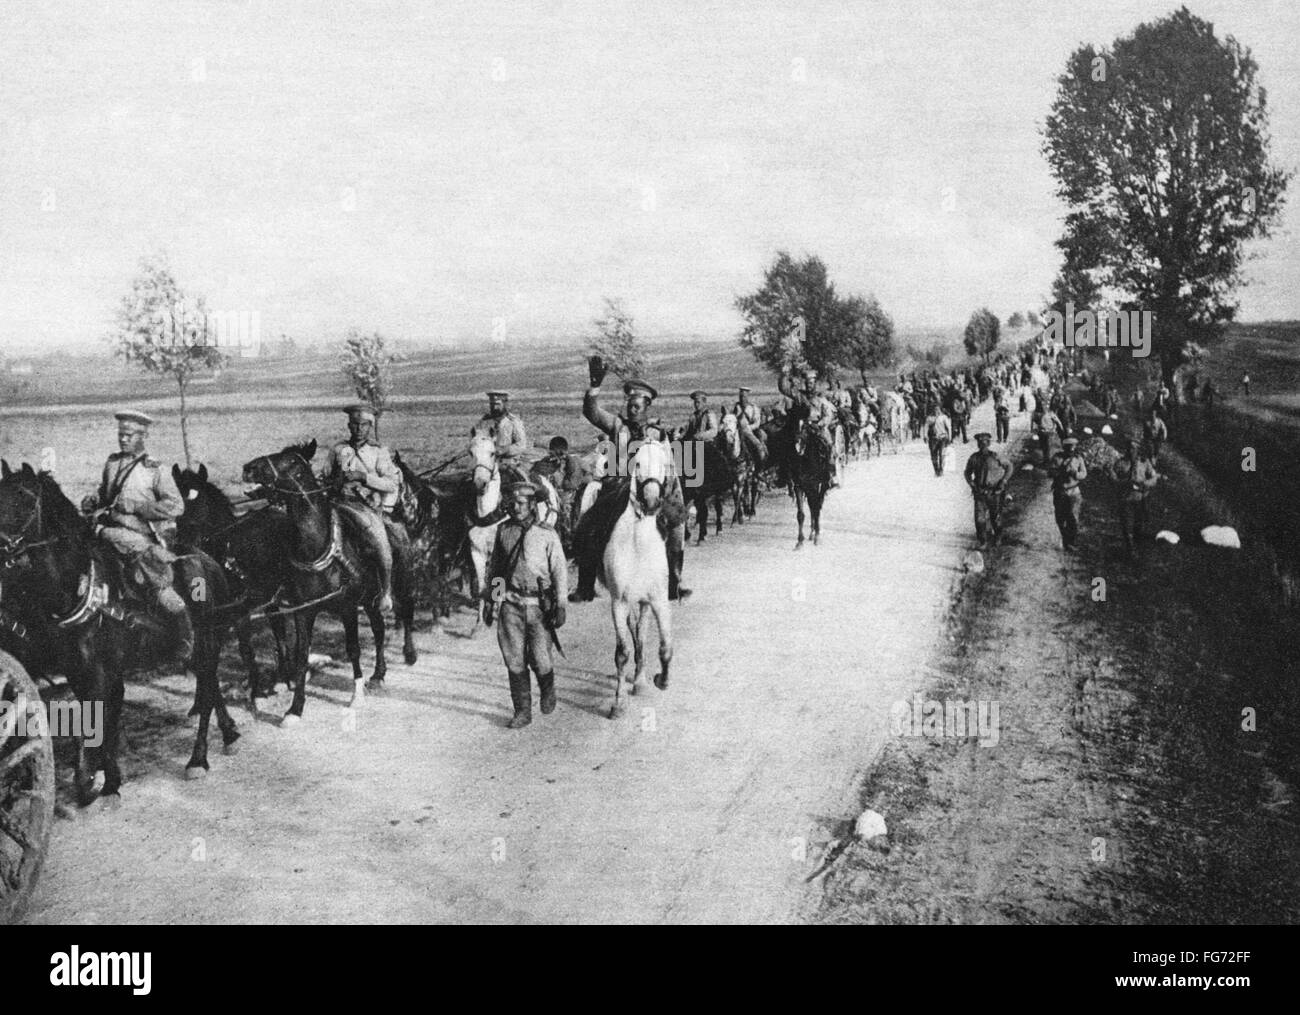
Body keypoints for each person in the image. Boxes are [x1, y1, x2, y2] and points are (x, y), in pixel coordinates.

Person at [572, 357, 690, 602]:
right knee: (589, 524)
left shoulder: (658, 434)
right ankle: (585, 585)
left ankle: (673, 584)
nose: (632, 409)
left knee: (677, 526)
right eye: (630, 405)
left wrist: (670, 493)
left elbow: (668, 465)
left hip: (652, 488)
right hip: (619, 486)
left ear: (647, 406)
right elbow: (591, 412)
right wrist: (595, 385)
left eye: (637, 406)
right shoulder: (616, 425)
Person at [79, 410, 191, 662]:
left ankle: (183, 628)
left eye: (129, 435)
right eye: (121, 435)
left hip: (145, 535)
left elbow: (177, 506)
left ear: (143, 436)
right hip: (113, 530)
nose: (123, 440)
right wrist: (93, 501)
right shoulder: (112, 463)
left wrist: (139, 507)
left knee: (148, 568)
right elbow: (106, 495)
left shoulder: (155, 469)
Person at [483, 481, 567, 729]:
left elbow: (560, 571)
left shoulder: (546, 534)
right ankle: (522, 710)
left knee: (541, 659)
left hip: (539, 606)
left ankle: (548, 688)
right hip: (511, 604)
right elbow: (497, 569)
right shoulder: (504, 532)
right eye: (513, 503)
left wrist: (561, 604)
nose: (516, 507)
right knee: (514, 660)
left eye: (521, 503)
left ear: (532, 505)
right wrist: (493, 600)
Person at [320, 404, 404, 612]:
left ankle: (385, 592)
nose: (358, 429)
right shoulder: (339, 450)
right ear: (349, 425)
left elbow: (391, 484)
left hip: (365, 506)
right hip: (338, 503)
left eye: (364, 425)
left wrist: (364, 477)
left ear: (370, 427)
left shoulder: (378, 452)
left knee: (380, 542)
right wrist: (334, 482)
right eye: (355, 424)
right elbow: (324, 476)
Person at [777, 365, 842, 488]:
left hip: (819, 427)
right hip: (803, 428)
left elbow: (827, 415)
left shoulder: (821, 398)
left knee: (828, 445)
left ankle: (832, 475)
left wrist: (820, 423)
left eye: (811, 383)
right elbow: (784, 389)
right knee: (788, 445)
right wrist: (783, 375)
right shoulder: (800, 396)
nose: (809, 385)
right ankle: (786, 475)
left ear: (815, 384)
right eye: (807, 383)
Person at [1110, 439, 1158, 555]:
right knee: (1126, 525)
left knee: (1139, 524)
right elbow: (1113, 479)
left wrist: (1145, 483)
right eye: (1130, 449)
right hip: (1125, 498)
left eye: (1134, 449)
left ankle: (1137, 547)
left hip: (1140, 498)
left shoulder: (1144, 463)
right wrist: (1124, 482)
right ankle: (1130, 549)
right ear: (1126, 450)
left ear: (1138, 450)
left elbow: (1154, 478)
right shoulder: (1120, 463)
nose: (1132, 451)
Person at [964, 433, 1012, 547]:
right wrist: (972, 485)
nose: (983, 446)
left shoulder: (996, 456)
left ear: (989, 444)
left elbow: (1009, 467)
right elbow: (967, 472)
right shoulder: (974, 458)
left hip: (995, 492)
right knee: (979, 519)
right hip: (980, 493)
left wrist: (1004, 481)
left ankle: (998, 537)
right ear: (978, 445)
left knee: (996, 518)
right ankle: (983, 541)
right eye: (980, 444)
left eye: (985, 444)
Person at [1048, 435, 1088, 551]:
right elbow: (1050, 472)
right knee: (1060, 518)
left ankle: (1070, 541)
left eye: (1073, 446)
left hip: (1074, 492)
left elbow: (1084, 473)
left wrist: (1075, 474)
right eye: (1068, 446)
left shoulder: (1078, 458)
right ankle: (1065, 537)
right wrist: (1060, 473)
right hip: (1060, 491)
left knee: (1073, 518)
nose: (1071, 449)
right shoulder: (1057, 458)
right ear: (1064, 447)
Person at [475, 390, 529, 464]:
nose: (494, 407)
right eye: (492, 404)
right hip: (487, 463)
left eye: (497, 404)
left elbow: (521, 445)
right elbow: (477, 440)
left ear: (504, 404)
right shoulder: (483, 422)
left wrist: (504, 450)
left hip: (508, 463)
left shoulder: (513, 422)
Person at [925, 404, 953, 477]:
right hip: (933, 439)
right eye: (935, 409)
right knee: (933, 456)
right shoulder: (930, 418)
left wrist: (950, 437)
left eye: (938, 409)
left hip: (942, 438)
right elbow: (926, 427)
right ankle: (936, 470)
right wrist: (925, 436)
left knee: (942, 454)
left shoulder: (944, 417)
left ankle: (941, 469)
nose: (936, 411)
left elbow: (949, 427)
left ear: (940, 410)